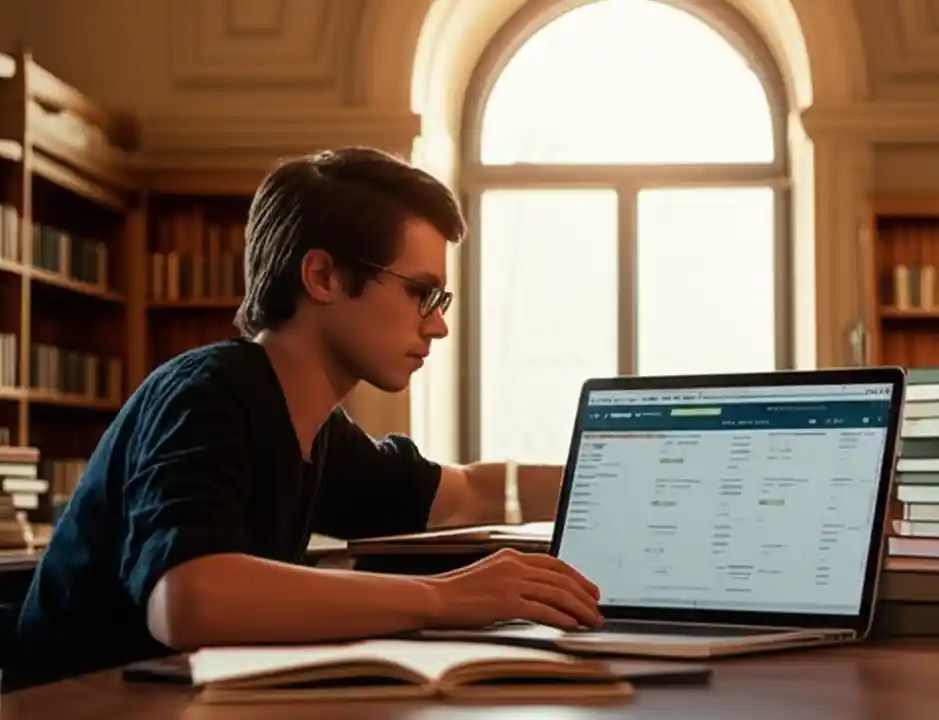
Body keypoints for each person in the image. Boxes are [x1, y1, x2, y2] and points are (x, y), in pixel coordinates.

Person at [5, 147, 603, 691]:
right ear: (321, 277)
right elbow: (187, 598)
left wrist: (618, 480)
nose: (438, 325)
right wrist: (445, 598)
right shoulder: (206, 394)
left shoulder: (319, 431)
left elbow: (472, 491)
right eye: (421, 293)